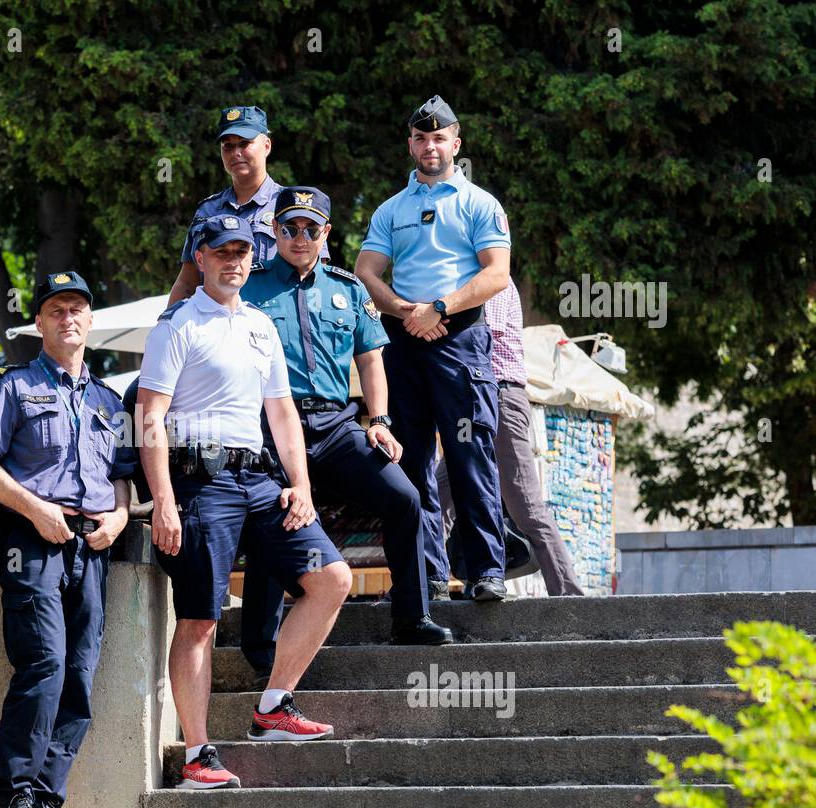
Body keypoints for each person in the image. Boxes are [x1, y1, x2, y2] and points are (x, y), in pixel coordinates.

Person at [138, 215, 353, 790]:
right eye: (221, 250)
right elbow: (150, 416)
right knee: (201, 620)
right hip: (200, 483)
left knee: (332, 577)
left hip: (260, 481)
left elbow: (281, 412)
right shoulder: (178, 324)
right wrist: (162, 500)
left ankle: (274, 705)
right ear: (201, 257)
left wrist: (301, 485)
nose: (233, 259)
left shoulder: (260, 325)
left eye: (241, 250)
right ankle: (198, 755)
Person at [238, 186, 453, 677]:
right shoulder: (246, 290)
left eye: (310, 228)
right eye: (290, 227)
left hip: (336, 426)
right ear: (275, 232)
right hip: (272, 428)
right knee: (276, 515)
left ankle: (411, 616)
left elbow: (371, 360)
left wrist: (378, 420)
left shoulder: (347, 289)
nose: (300, 236)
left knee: (405, 497)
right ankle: (260, 643)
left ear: (325, 234)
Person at [0, 270, 134, 808]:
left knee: (81, 674)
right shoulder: (12, 386)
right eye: (56, 310)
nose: (68, 318)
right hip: (32, 542)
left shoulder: (110, 401)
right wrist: (36, 509)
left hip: (92, 545)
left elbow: (122, 478)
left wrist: (117, 515)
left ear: (88, 321)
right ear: (39, 322)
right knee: (44, 664)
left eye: (77, 309)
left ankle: (44, 800)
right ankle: (13, 798)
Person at [354, 94, 511, 603]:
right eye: (421, 138)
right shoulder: (390, 210)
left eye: (439, 137)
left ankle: (488, 571)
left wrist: (439, 308)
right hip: (404, 340)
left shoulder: (479, 203)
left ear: (455, 143)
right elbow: (366, 272)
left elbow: (497, 274)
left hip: (459, 339)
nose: (430, 146)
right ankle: (430, 579)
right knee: (411, 464)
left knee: (470, 457)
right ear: (411, 145)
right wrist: (405, 312)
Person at [436, 278, 585, 595]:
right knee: (436, 496)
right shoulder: (460, 280)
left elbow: (481, 332)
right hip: (470, 399)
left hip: (501, 395)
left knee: (525, 505)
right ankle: (426, 585)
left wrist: (431, 321)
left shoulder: (494, 281)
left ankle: (570, 596)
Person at [167, 106, 325, 305]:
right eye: (228, 146)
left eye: (244, 143)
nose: (236, 153)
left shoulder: (294, 207)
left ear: (267, 146)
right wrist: (166, 327)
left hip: (275, 323)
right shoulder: (208, 210)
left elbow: (315, 280)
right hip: (217, 325)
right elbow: (187, 283)